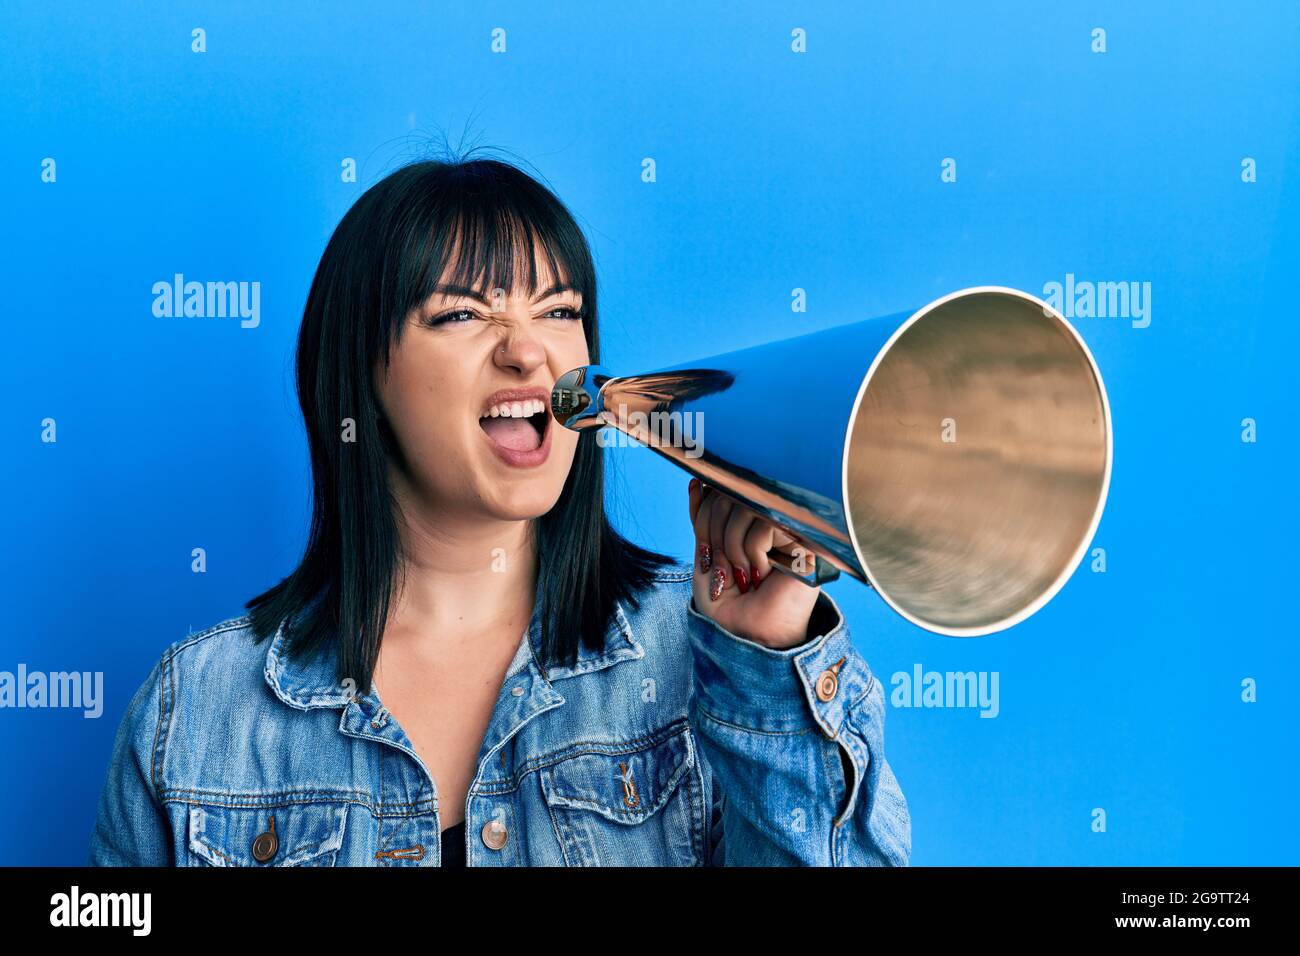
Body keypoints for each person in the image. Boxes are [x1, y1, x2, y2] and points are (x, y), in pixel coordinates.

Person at [88, 154, 911, 866]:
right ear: (362, 375)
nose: (529, 351)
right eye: (461, 314)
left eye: (559, 311)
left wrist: (762, 675)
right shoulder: (196, 711)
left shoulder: (706, 662)